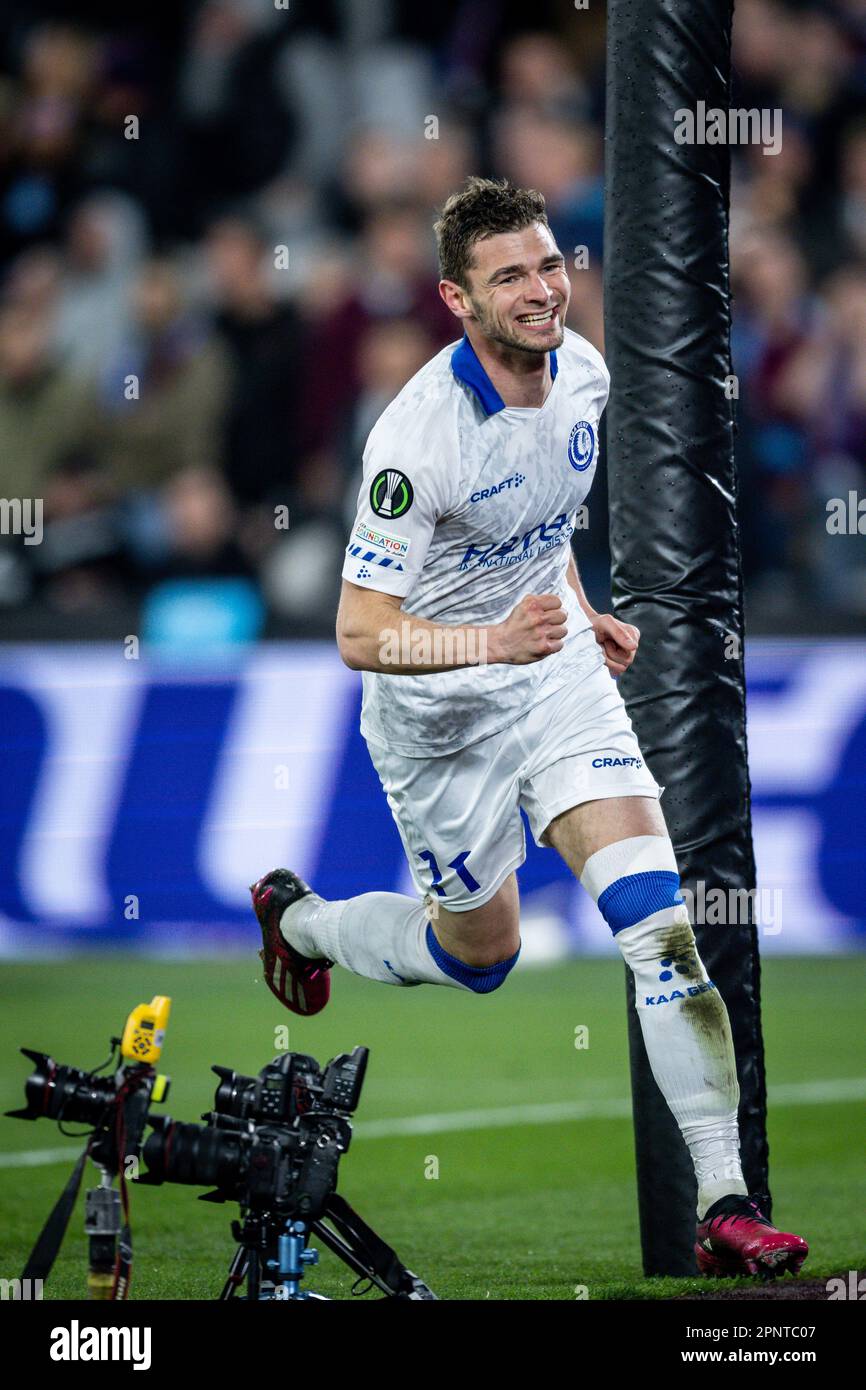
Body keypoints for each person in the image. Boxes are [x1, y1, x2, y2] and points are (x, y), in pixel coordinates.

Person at [251, 177, 808, 1281]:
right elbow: (358, 632)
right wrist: (487, 645)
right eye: (508, 275)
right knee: (482, 955)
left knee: (658, 925)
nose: (540, 289)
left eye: (548, 264)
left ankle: (723, 1199)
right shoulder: (416, 439)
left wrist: (577, 609)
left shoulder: (584, 376)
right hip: (435, 723)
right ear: (458, 298)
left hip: (551, 681)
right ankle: (301, 921)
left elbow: (536, 525)